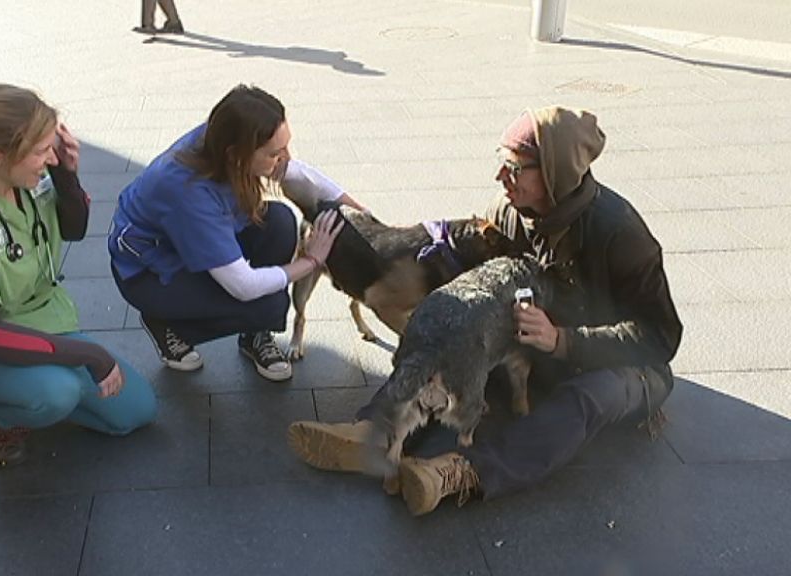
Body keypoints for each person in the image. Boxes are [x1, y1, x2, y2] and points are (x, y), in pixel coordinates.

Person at [287, 106, 683, 515]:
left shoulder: (620, 232)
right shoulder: (509, 213)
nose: (501, 177)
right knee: (458, 344)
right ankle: (375, 429)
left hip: (621, 364)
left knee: (589, 398)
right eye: (502, 163)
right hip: (529, 350)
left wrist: (562, 339)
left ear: (553, 172)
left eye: (514, 167)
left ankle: (460, 473)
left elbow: (660, 337)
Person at [0, 84, 157, 468]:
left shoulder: (28, 180)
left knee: (137, 410)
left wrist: (67, 177)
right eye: (41, 151)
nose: (50, 158)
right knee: (56, 391)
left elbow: (73, 229)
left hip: (40, 321)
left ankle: (25, 392)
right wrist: (90, 355)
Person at [108, 84, 364, 382]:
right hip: (151, 273)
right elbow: (244, 285)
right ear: (237, 154)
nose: (286, 157)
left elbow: (298, 173)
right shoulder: (189, 193)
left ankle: (254, 338)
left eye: (286, 145)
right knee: (268, 305)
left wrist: (360, 212)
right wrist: (312, 261)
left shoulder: (225, 137)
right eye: (275, 153)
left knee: (279, 222)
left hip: (188, 238)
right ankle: (166, 323)